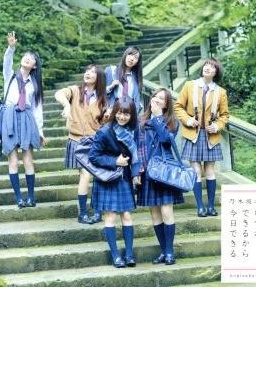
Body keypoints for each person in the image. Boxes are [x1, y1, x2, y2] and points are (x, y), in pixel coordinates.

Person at [89, 96, 142, 268]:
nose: (122, 117)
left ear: (131, 116)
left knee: (126, 215)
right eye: (119, 113)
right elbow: (93, 157)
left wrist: (135, 173)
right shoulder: (105, 131)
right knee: (110, 216)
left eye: (126, 114)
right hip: (108, 178)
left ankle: (129, 254)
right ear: (114, 113)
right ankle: (115, 256)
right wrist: (114, 161)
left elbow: (136, 155)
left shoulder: (133, 131)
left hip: (123, 177)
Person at [174, 58, 229, 217]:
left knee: (210, 170)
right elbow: (178, 106)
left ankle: (211, 206)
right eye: (206, 65)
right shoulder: (189, 85)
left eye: (212, 67)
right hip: (192, 134)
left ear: (216, 72)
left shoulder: (220, 92)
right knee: (196, 170)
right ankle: (200, 207)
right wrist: (188, 120)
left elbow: (225, 115)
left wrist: (217, 125)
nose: (208, 68)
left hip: (211, 136)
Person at [54, 64, 107, 224]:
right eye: (87, 71)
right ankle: (82, 213)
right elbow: (59, 93)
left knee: (97, 175)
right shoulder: (75, 90)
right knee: (85, 174)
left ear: (99, 77)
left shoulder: (102, 98)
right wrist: (67, 105)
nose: (88, 73)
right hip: (76, 140)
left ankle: (97, 211)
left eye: (93, 72)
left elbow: (104, 122)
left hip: (95, 141)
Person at [137, 88, 184, 265]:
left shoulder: (172, 123)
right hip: (147, 171)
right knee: (155, 213)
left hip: (164, 171)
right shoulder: (141, 121)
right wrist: (137, 169)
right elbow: (136, 146)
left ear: (166, 104)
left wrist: (157, 118)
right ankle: (164, 251)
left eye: (161, 99)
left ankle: (170, 252)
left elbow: (165, 139)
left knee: (166, 210)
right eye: (155, 96)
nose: (157, 100)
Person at [2, 31, 47, 208]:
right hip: (10, 117)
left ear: (35, 66)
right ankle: (19, 198)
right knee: (13, 160)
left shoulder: (35, 84)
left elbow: (37, 109)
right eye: (26, 56)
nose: (28, 58)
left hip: (27, 118)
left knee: (28, 160)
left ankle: (31, 197)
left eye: (32, 58)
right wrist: (11, 48)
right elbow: (7, 62)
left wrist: (40, 131)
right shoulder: (10, 75)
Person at [105, 46, 143, 114]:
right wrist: (111, 87)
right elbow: (99, 92)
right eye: (130, 54)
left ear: (137, 62)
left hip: (129, 113)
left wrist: (135, 114)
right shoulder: (111, 71)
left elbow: (137, 100)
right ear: (125, 54)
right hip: (112, 111)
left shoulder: (136, 78)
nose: (132, 59)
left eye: (135, 57)